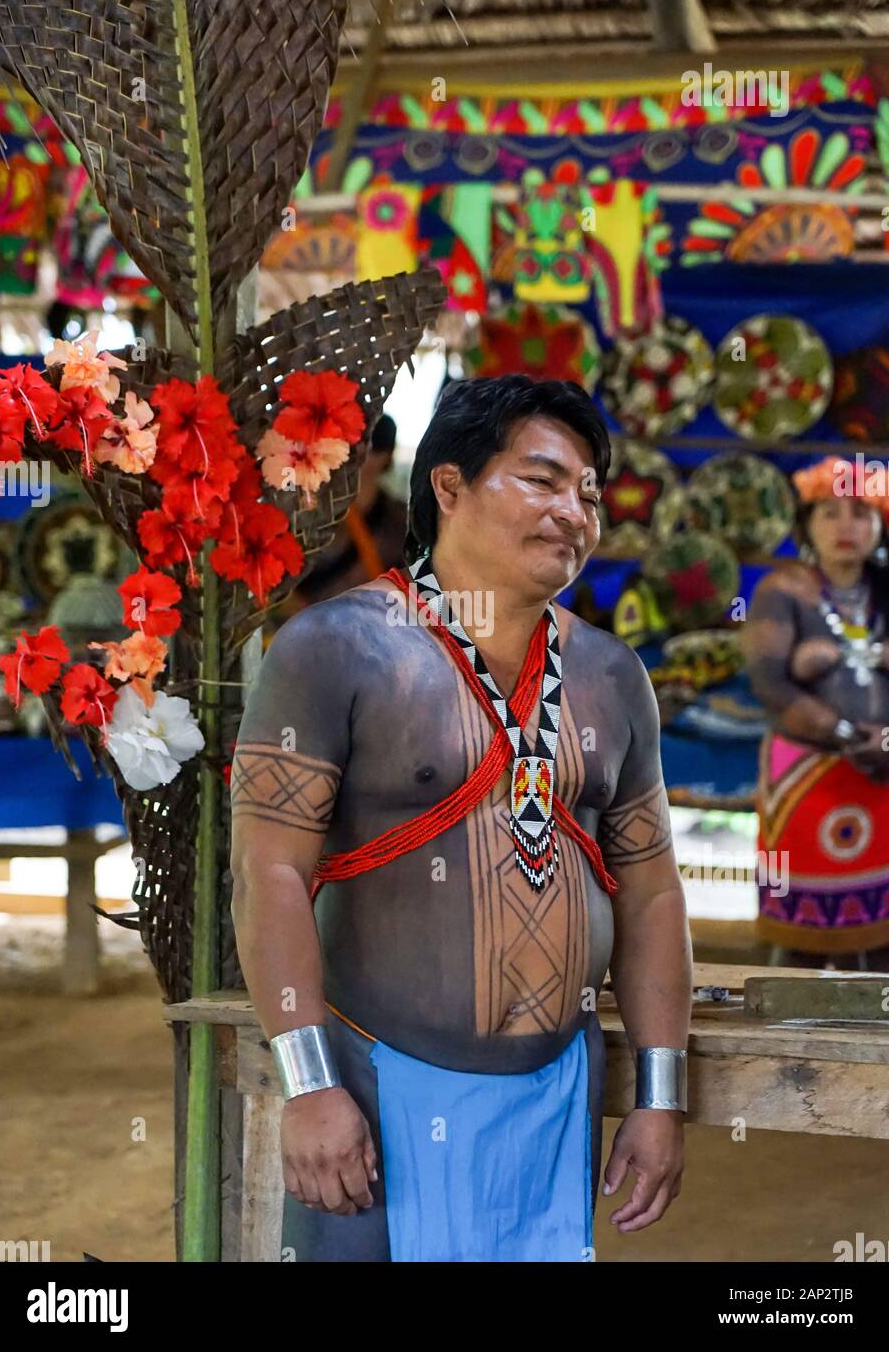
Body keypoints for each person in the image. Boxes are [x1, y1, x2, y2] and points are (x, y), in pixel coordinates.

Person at [230, 375, 691, 1263]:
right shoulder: (336, 649)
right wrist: (309, 1084)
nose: (574, 512)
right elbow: (267, 873)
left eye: (589, 493)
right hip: (370, 1086)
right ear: (448, 486)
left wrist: (660, 1095)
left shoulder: (608, 674)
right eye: (543, 480)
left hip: (558, 1097)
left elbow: (652, 894)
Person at [742, 457, 889, 970]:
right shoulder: (783, 589)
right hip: (806, 779)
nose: (846, 527)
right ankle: (795, 1046)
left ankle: (883, 1043)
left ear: (880, 524)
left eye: (860, 512)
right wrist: (844, 732)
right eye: (829, 513)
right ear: (806, 525)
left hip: (888, 777)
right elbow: (769, 682)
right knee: (801, 943)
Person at [285, 413, 408, 610]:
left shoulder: (402, 520)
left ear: (386, 456)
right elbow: (281, 585)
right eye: (351, 449)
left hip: (376, 629)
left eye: (369, 449)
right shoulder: (309, 510)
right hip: (306, 629)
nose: (357, 457)